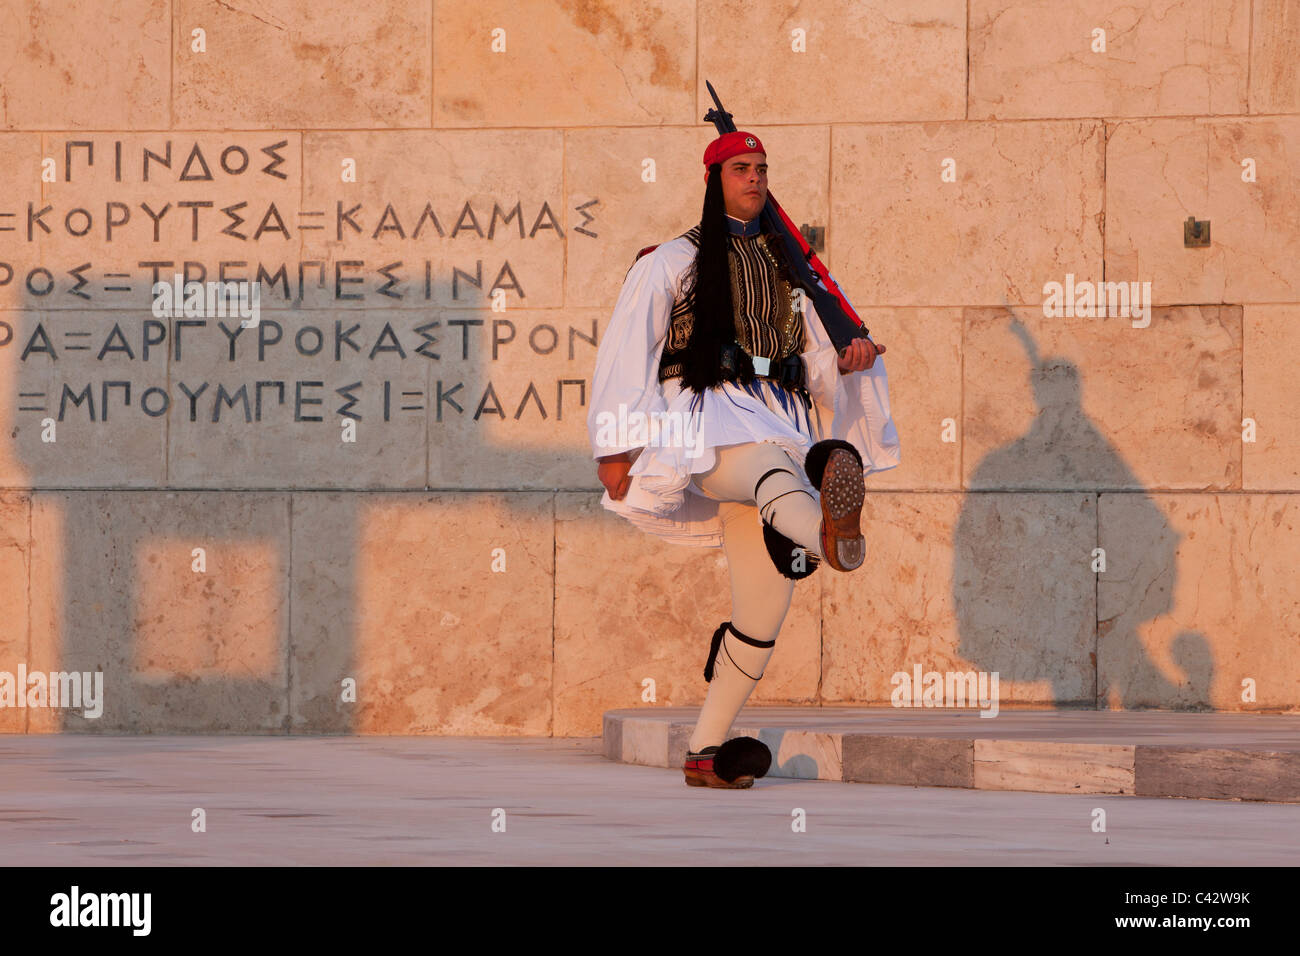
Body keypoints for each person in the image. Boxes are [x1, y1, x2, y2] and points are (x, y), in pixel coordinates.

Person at [587, 130, 900, 788]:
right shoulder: (672, 259)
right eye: (740, 169)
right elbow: (626, 351)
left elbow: (808, 362)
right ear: (714, 179)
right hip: (706, 415)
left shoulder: (791, 271)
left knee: (764, 607)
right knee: (769, 472)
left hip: (778, 412)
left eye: (761, 169)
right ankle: (823, 528)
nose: (754, 179)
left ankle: (706, 752)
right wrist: (613, 450)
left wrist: (845, 359)